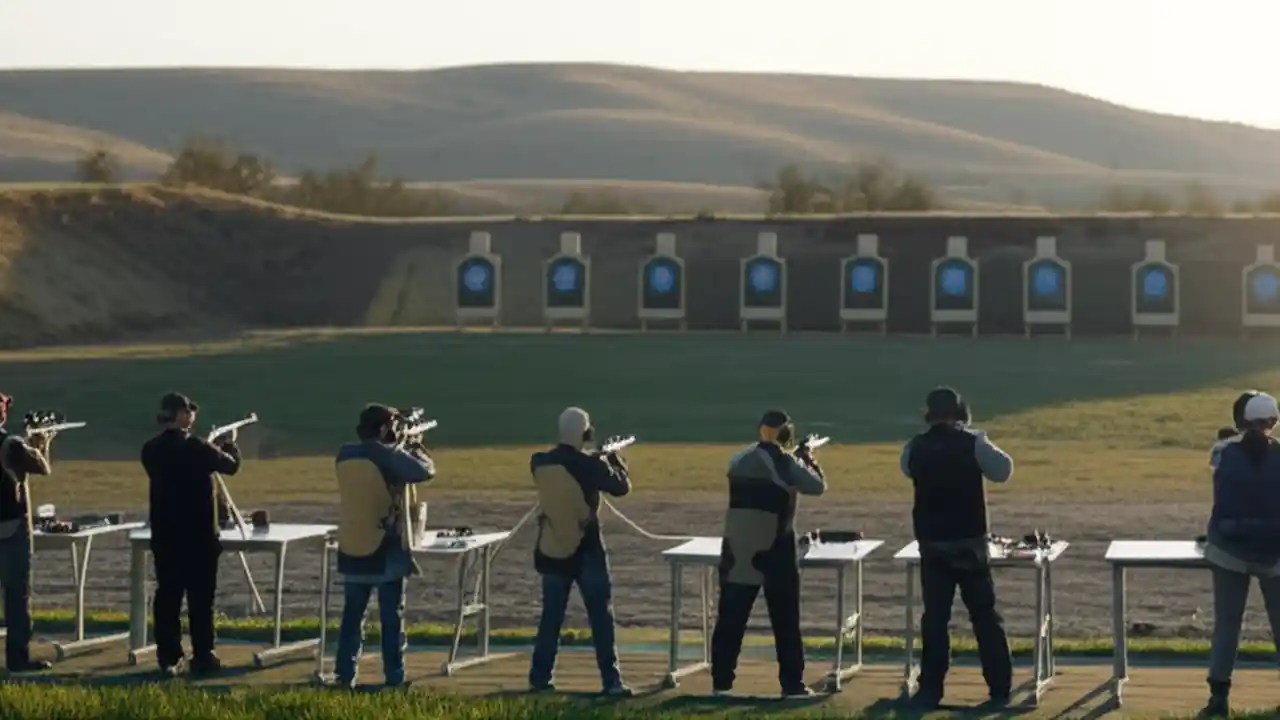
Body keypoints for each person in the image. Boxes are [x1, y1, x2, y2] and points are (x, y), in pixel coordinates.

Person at [900, 386, 1014, 710]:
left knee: (935, 619)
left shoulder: (915, 446)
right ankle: (999, 686)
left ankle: (930, 688)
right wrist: (978, 436)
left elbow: (907, 470)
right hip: (969, 543)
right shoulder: (973, 443)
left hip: (932, 543)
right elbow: (1003, 471)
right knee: (985, 617)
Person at [711, 409, 826, 699]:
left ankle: (721, 683)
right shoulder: (785, 462)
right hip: (776, 546)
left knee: (731, 617)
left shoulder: (739, 459)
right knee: (786, 620)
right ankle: (792, 684)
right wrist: (807, 459)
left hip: (738, 545)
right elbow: (816, 486)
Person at [528, 407, 632, 696]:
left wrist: (597, 459)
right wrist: (613, 459)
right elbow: (621, 487)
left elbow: (568, 468)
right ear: (585, 433)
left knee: (551, 617)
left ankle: (539, 677)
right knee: (601, 618)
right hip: (587, 550)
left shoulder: (539, 462)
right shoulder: (590, 465)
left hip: (552, 546)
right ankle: (611, 681)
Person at [333, 404, 435, 689]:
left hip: (353, 543)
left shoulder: (345, 453)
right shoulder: (388, 455)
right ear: (382, 429)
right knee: (392, 619)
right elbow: (425, 471)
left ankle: (344, 675)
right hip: (384, 550)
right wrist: (414, 446)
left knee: (352, 617)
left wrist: (400, 444)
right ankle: (394, 677)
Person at [140, 392, 241, 677]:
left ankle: (169, 656)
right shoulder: (197, 447)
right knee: (201, 600)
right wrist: (230, 446)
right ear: (182, 415)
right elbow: (231, 466)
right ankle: (203, 655)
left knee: (168, 598)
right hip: (199, 537)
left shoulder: (150, 449)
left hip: (165, 536)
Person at [1201, 392, 1280, 717]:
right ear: (1273, 422)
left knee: (1228, 624)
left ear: (1239, 420)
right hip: (1274, 552)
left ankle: (1219, 698)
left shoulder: (1223, 450)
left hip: (1228, 549)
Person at [0, 392, 55, 673]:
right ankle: (17, 659)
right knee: (17, 598)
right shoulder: (11, 444)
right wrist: (41, 444)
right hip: (10, 529)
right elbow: (43, 467)